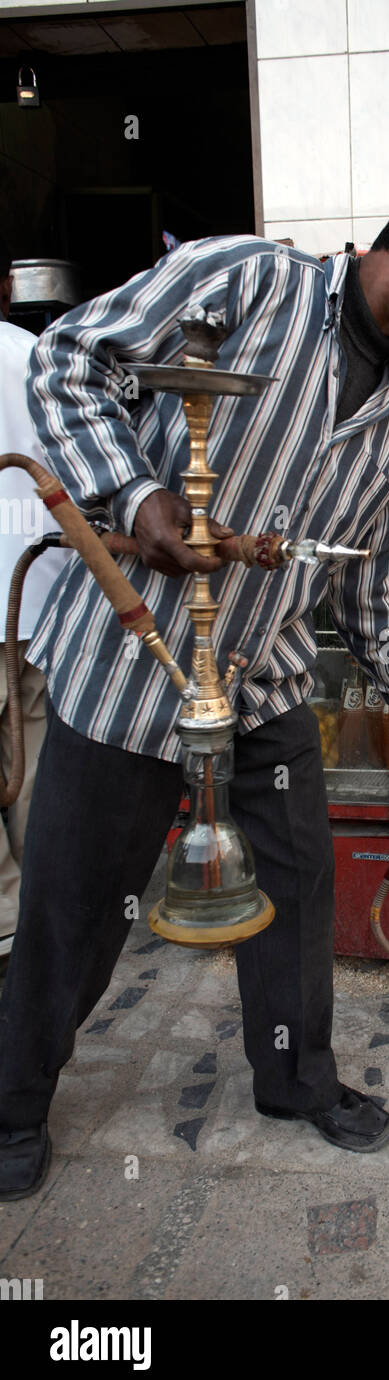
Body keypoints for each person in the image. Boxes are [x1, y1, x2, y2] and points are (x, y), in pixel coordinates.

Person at [0, 170, 389, 1199]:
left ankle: (293, 1076)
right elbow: (69, 358)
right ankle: (12, 1103)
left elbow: (367, 584)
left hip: (261, 683)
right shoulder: (244, 279)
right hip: (132, 664)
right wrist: (138, 493)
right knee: (77, 902)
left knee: (293, 885)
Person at [0, 243, 67, 957]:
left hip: (17, 594)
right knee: (36, 756)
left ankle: (8, 922)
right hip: (40, 598)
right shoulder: (38, 356)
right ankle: (44, 912)